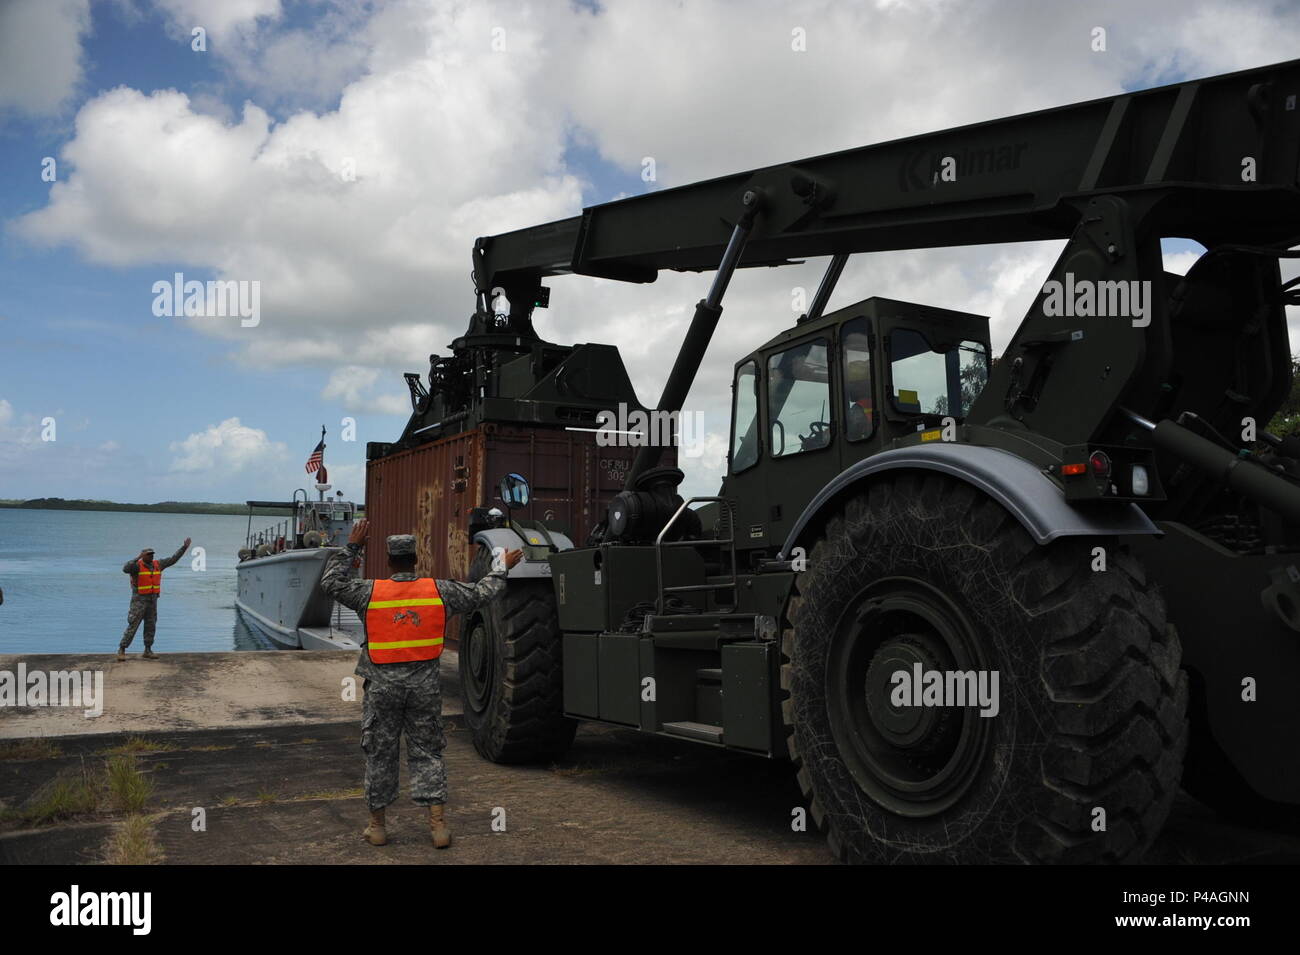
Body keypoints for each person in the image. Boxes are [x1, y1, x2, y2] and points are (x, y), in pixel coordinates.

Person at [321, 518, 522, 849]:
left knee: (380, 753)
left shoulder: (369, 592)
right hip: (424, 689)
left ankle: (377, 827)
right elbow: (484, 592)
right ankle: (438, 826)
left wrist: (353, 546)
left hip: (381, 690)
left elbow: (331, 583)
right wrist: (500, 565)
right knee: (428, 751)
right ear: (416, 560)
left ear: (389, 561)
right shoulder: (439, 591)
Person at [118, 539, 190, 661]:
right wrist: (137, 558)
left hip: (152, 601)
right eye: (148, 554)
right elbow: (125, 568)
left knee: (150, 625)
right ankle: (122, 649)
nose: (151, 556)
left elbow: (173, 559)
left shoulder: (158, 564)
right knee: (133, 625)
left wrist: (184, 548)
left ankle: (148, 650)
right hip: (139, 602)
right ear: (143, 556)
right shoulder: (136, 566)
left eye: (152, 554)